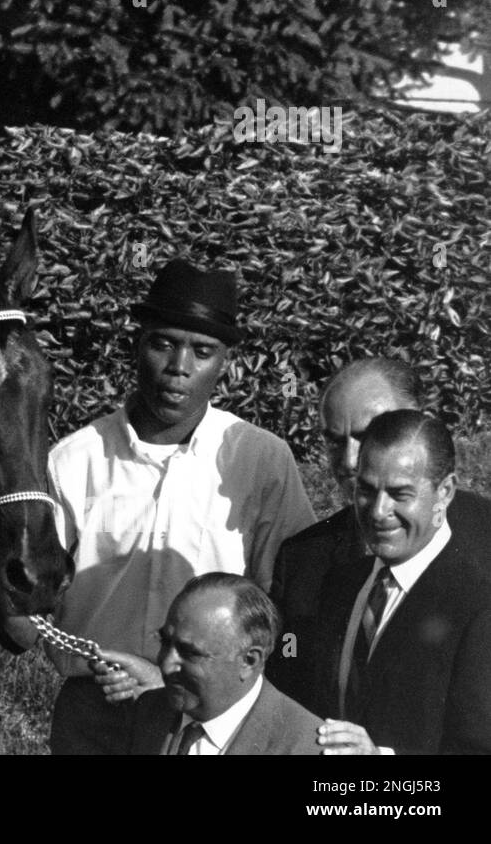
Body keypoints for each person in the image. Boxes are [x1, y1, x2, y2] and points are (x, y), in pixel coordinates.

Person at [46, 258, 316, 755]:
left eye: (202, 351)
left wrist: (192, 673)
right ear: (137, 343)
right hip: (95, 711)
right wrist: (92, 659)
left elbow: (287, 598)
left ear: (226, 362)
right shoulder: (74, 459)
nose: (179, 367)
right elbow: (28, 604)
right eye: (163, 343)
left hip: (206, 718)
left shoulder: (260, 460)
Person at [268, 357, 491, 707]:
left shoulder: (484, 539)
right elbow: (288, 662)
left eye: (370, 434)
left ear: (422, 421)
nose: (350, 461)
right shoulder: (302, 561)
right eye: (335, 441)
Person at [313, 411, 491, 755]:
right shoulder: (341, 583)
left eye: (400, 494)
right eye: (365, 490)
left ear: (445, 492)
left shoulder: (478, 607)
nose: (378, 511)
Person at [128, 573, 322, 755]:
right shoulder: (149, 710)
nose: (167, 665)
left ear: (249, 660)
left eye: (189, 652)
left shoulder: (307, 747)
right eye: (165, 642)